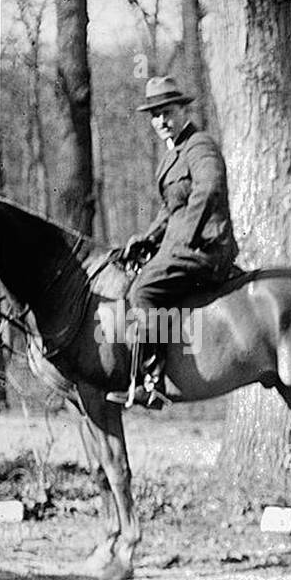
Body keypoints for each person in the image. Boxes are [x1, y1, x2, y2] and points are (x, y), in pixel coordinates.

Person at [109, 75, 240, 408]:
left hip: (206, 249)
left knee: (144, 290)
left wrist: (183, 239)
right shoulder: (173, 155)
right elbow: (171, 209)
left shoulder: (199, 146)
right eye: (155, 115)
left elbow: (208, 189)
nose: (161, 121)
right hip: (184, 247)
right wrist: (147, 239)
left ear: (184, 109)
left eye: (167, 112)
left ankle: (151, 381)